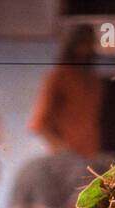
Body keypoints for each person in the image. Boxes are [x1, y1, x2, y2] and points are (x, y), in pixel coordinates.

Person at [29, 23, 104, 158]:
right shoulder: (58, 78)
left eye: (91, 43)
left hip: (90, 158)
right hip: (65, 160)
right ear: (72, 45)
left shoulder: (94, 82)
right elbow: (39, 123)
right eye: (83, 43)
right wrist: (63, 151)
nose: (88, 49)